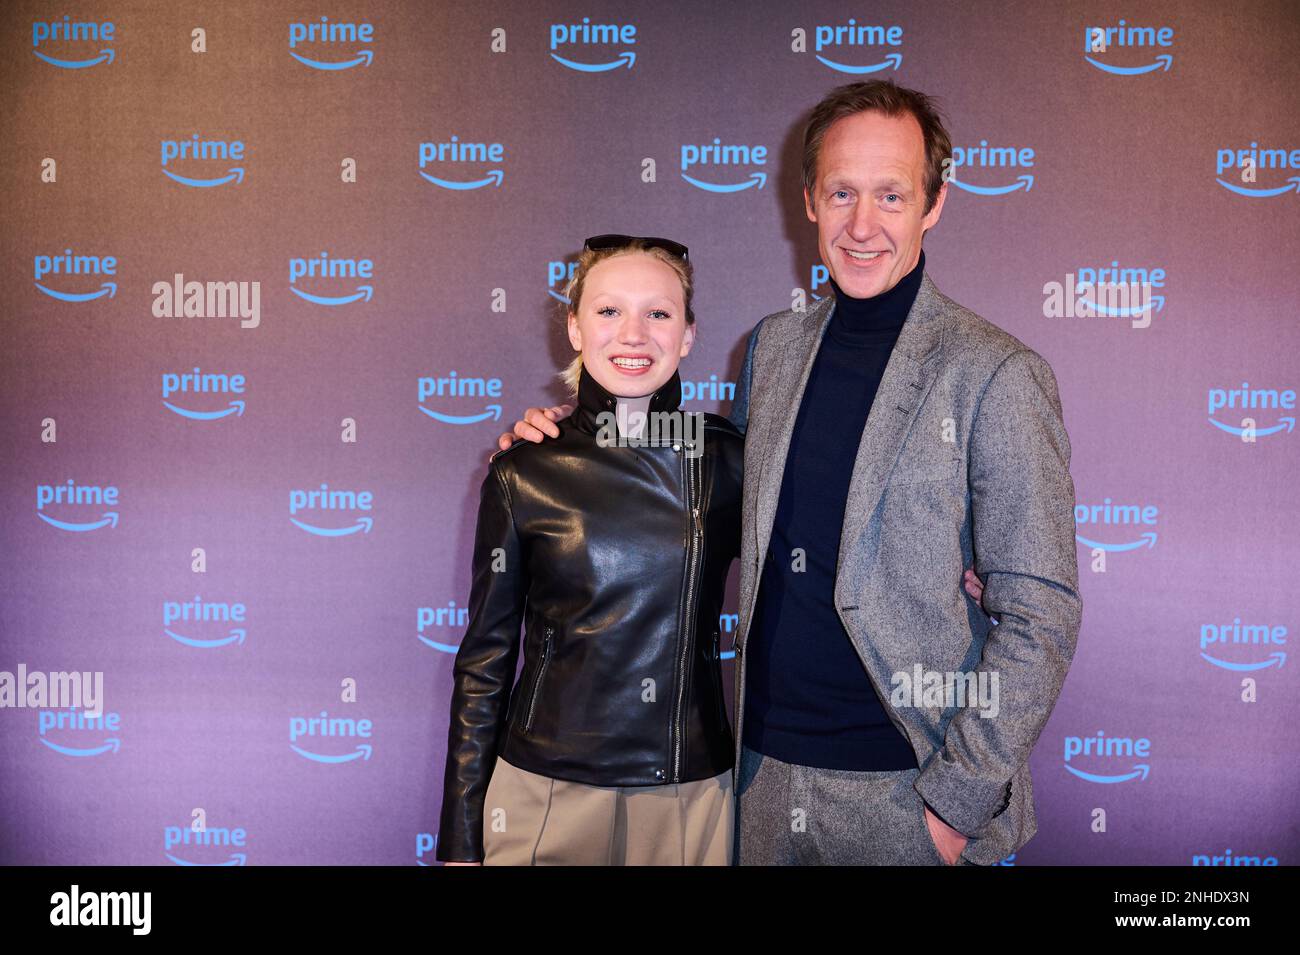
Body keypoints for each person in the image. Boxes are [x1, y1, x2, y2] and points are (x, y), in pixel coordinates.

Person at [502, 79, 1081, 867]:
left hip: (906, 790)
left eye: (891, 194)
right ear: (809, 199)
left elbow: (1041, 614)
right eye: (841, 191)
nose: (862, 224)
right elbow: (701, 478)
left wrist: (957, 800)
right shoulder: (775, 347)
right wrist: (569, 436)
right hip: (759, 780)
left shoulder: (996, 372)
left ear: (933, 203)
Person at [436, 235, 744, 865]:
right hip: (543, 793)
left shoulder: (730, 459)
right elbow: (485, 662)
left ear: (687, 334)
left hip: (688, 798)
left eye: (658, 313)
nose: (633, 334)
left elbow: (826, 567)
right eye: (608, 311)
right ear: (574, 328)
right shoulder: (523, 470)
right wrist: (462, 838)